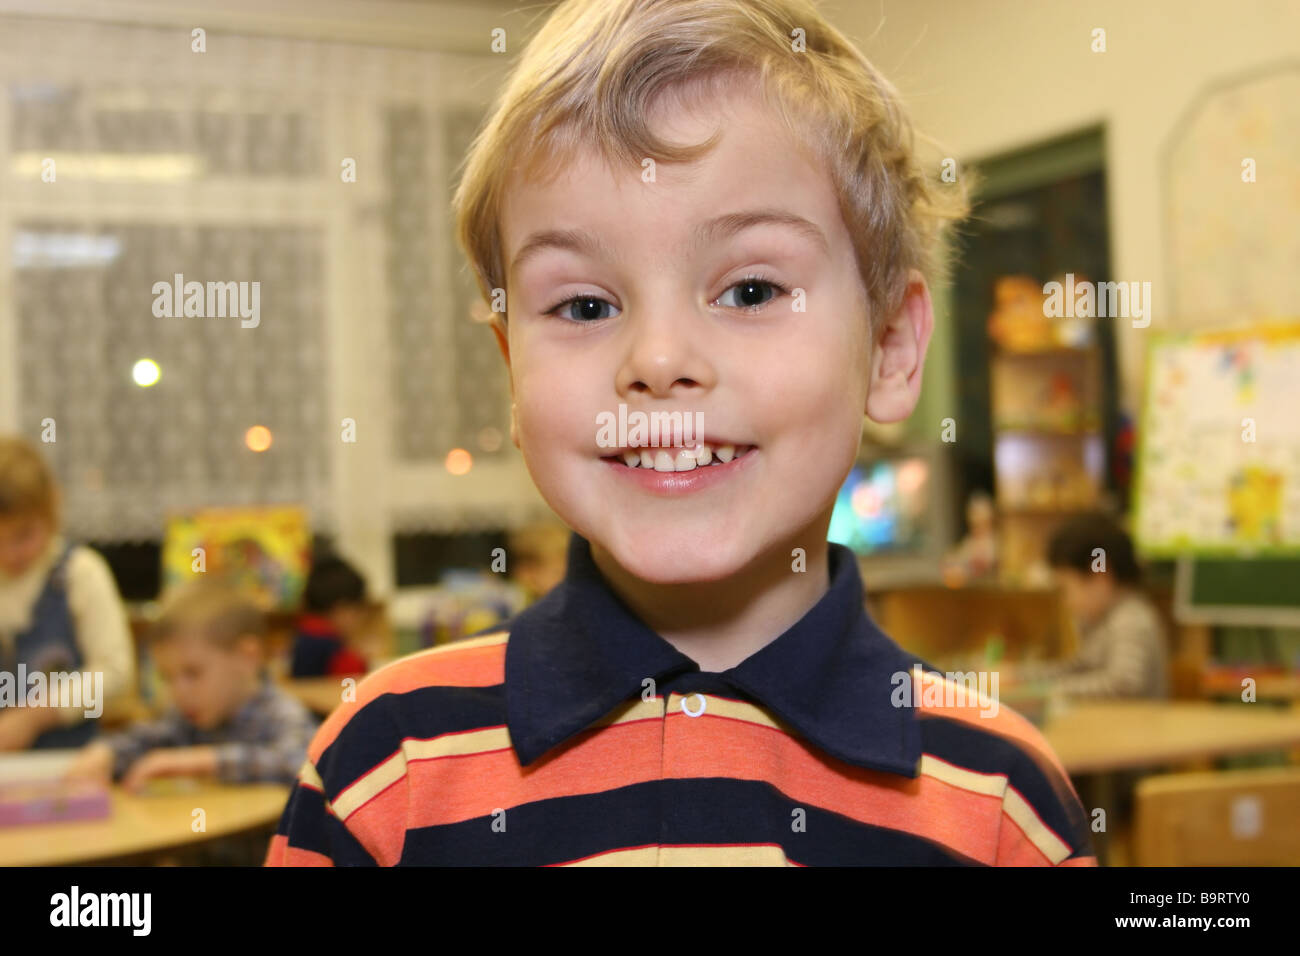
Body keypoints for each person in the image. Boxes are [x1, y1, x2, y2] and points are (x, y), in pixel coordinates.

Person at [267, 0, 1095, 866]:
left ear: (889, 348)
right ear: (513, 371)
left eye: (750, 291)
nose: (658, 360)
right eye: (585, 305)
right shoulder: (384, 767)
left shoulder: (1000, 802)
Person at [66, 579, 317, 790]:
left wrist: (199, 761)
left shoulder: (281, 713)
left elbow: (299, 764)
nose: (178, 692)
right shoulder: (187, 717)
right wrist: (105, 753)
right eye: (167, 677)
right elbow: (148, 737)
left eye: (192, 673)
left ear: (247, 657)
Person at [0, 436, 134, 750]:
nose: (9, 554)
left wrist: (33, 718)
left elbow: (116, 674)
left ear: (52, 510)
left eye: (23, 535)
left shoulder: (81, 573)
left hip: (70, 765)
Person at [1016, 513, 1169, 699]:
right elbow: (1080, 669)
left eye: (1065, 589)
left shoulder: (1131, 618)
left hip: (1136, 726)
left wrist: (1045, 690)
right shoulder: (1102, 619)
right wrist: (1021, 677)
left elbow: (1124, 685)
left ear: (1099, 575)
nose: (1066, 602)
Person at [289, 555, 371, 677]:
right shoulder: (340, 654)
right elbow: (354, 683)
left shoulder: (302, 634)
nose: (360, 619)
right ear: (341, 609)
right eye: (357, 611)